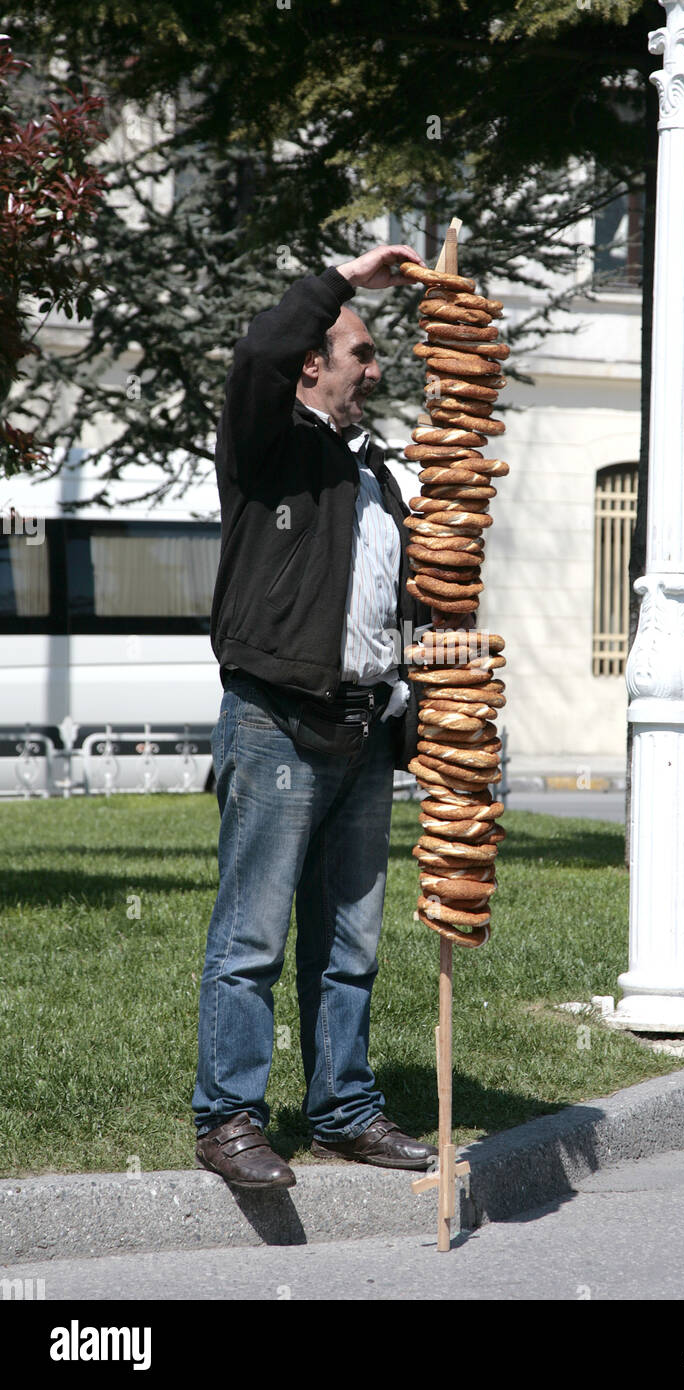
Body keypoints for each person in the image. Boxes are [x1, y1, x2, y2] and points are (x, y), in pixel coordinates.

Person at [192, 244, 440, 1187]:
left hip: (365, 729)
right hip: (275, 721)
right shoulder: (268, 444)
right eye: (363, 355)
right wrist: (340, 279)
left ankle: (341, 1109)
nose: (378, 371)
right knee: (252, 938)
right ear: (314, 361)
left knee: (350, 942)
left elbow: (392, 605)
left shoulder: (374, 473)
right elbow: (255, 357)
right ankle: (228, 1119)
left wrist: (431, 693)